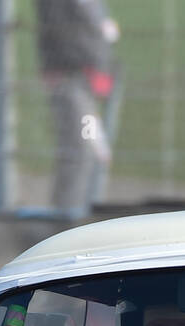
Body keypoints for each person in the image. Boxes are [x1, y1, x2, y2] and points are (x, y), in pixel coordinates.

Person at [34, 0, 120, 217]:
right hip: (70, 76)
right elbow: (61, 27)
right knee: (80, 150)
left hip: (86, 77)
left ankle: (78, 215)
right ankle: (66, 220)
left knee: (90, 150)